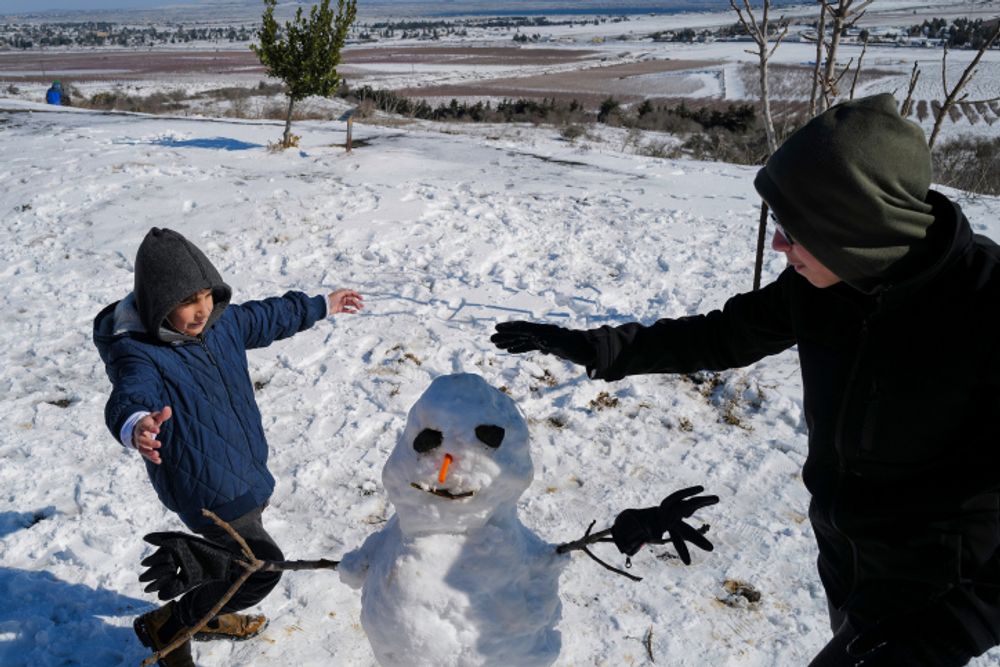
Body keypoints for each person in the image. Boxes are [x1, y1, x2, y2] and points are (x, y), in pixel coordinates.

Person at [491, 93, 1000, 666]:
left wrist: (956, 627)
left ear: (852, 225)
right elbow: (721, 336)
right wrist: (594, 347)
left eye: (793, 229)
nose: (778, 244)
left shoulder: (985, 305)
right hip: (846, 554)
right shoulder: (827, 282)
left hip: (940, 587)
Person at [93, 227, 363, 667]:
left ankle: (210, 609)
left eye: (207, 295)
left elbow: (268, 316)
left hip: (242, 468)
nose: (202, 309)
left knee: (238, 565)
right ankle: (173, 624)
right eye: (188, 302)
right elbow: (130, 392)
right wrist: (135, 423)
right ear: (158, 303)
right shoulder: (140, 353)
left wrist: (320, 305)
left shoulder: (222, 324)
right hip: (205, 487)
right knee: (261, 569)